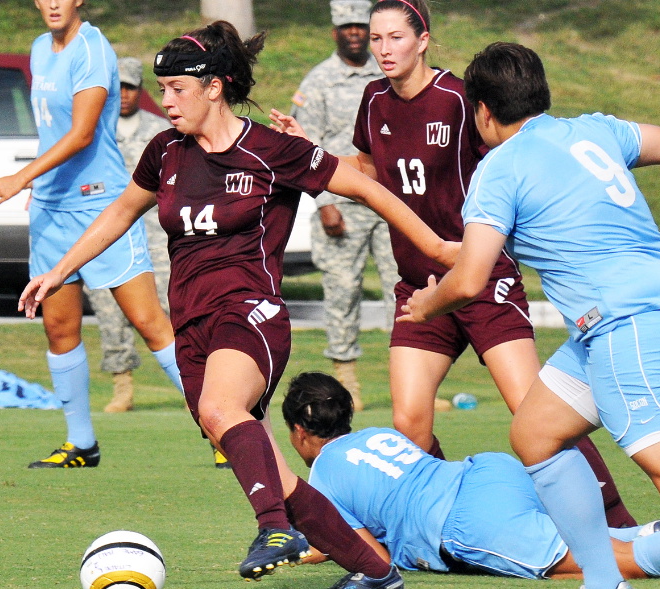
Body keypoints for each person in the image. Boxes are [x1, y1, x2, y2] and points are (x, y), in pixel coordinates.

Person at [19, 21, 461, 589]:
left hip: (251, 312)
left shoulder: (270, 150)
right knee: (269, 473)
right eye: (163, 88)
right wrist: (56, 270)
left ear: (214, 87)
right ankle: (376, 571)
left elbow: (368, 190)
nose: (166, 100)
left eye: (177, 87)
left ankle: (273, 530)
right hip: (194, 328)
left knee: (222, 408)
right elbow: (120, 212)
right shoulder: (165, 152)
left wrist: (436, 248)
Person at [400, 41, 660, 589]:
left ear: (483, 112)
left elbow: (467, 280)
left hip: (630, 327)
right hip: (635, 320)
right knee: (537, 434)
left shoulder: (500, 167)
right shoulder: (593, 131)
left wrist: (426, 305)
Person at [270, 0, 635, 528]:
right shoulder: (373, 99)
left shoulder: (460, 100)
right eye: (376, 39)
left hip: (480, 279)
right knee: (409, 420)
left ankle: (616, 521)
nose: (384, 49)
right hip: (418, 288)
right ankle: (447, 518)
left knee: (535, 412)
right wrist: (309, 149)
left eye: (396, 37)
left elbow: (511, 161)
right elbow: (368, 171)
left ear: (423, 40)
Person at [281, 371, 660, 583]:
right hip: (490, 472)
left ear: (300, 432)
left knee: (615, 563)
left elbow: (370, 552)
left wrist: (304, 553)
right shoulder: (377, 432)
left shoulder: (321, 476)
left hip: (468, 519)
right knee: (588, 554)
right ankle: (642, 529)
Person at [0, 0, 183, 469]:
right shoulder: (38, 49)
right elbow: (52, 132)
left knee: (149, 322)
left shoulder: (93, 49)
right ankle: (82, 444)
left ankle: (223, 429)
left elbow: (83, 133)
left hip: (99, 204)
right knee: (58, 326)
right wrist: (42, 186)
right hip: (51, 209)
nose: (53, 3)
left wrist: (20, 178)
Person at [288, 0, 401, 411]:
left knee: (401, 289)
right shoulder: (319, 81)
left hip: (389, 200)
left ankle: (408, 379)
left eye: (361, 27)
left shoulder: (388, 75)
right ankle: (345, 384)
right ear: (335, 32)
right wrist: (322, 202)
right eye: (347, 27)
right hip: (340, 202)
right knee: (341, 292)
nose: (355, 34)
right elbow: (305, 147)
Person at [80, 57, 171, 413]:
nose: (124, 95)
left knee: (169, 305)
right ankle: (123, 387)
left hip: (157, 234)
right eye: (118, 88)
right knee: (108, 307)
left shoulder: (162, 130)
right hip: (110, 231)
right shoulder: (93, 129)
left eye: (131, 87)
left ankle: (190, 378)